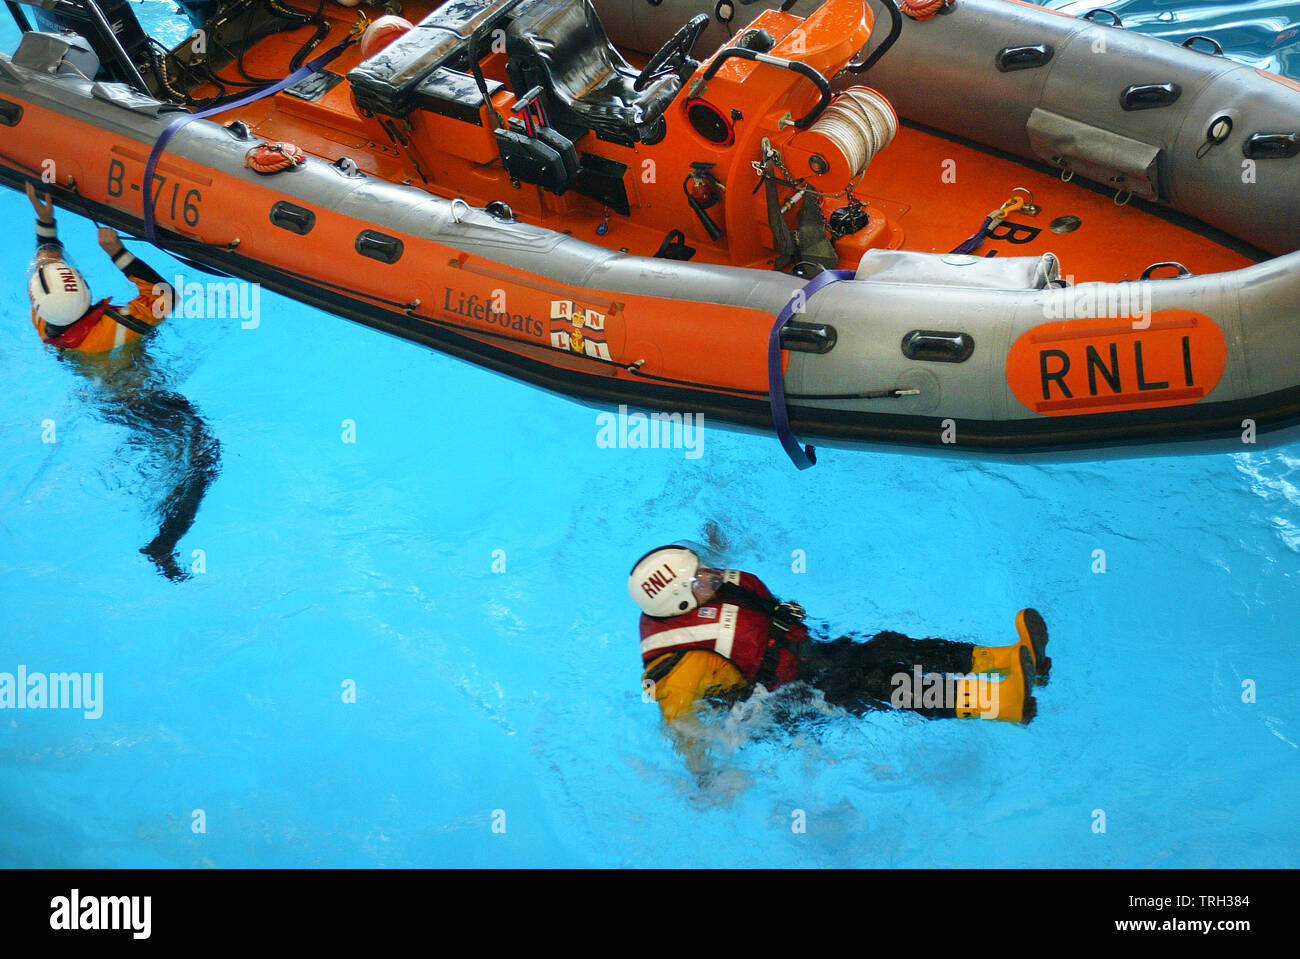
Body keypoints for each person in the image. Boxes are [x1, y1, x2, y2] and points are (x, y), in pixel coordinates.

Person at [25, 183, 221, 581]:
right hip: (147, 402)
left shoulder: (44, 323)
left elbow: (44, 264)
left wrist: (47, 223)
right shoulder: (117, 328)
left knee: (183, 460)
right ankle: (162, 544)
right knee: (204, 461)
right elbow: (166, 295)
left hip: (111, 401)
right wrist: (116, 250)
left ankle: (161, 538)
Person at [630, 544, 1051, 730]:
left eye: (701, 566)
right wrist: (705, 777)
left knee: (890, 645)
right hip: (797, 698)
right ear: (683, 604)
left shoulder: (711, 588)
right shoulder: (683, 666)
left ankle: (1004, 659)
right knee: (886, 684)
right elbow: (682, 726)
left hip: (813, 655)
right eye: (699, 578)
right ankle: (1004, 704)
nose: (709, 573)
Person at [27, 182, 171, 350]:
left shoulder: (45, 314)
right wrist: (118, 253)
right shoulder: (113, 330)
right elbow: (166, 297)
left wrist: (46, 223)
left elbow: (46, 267)